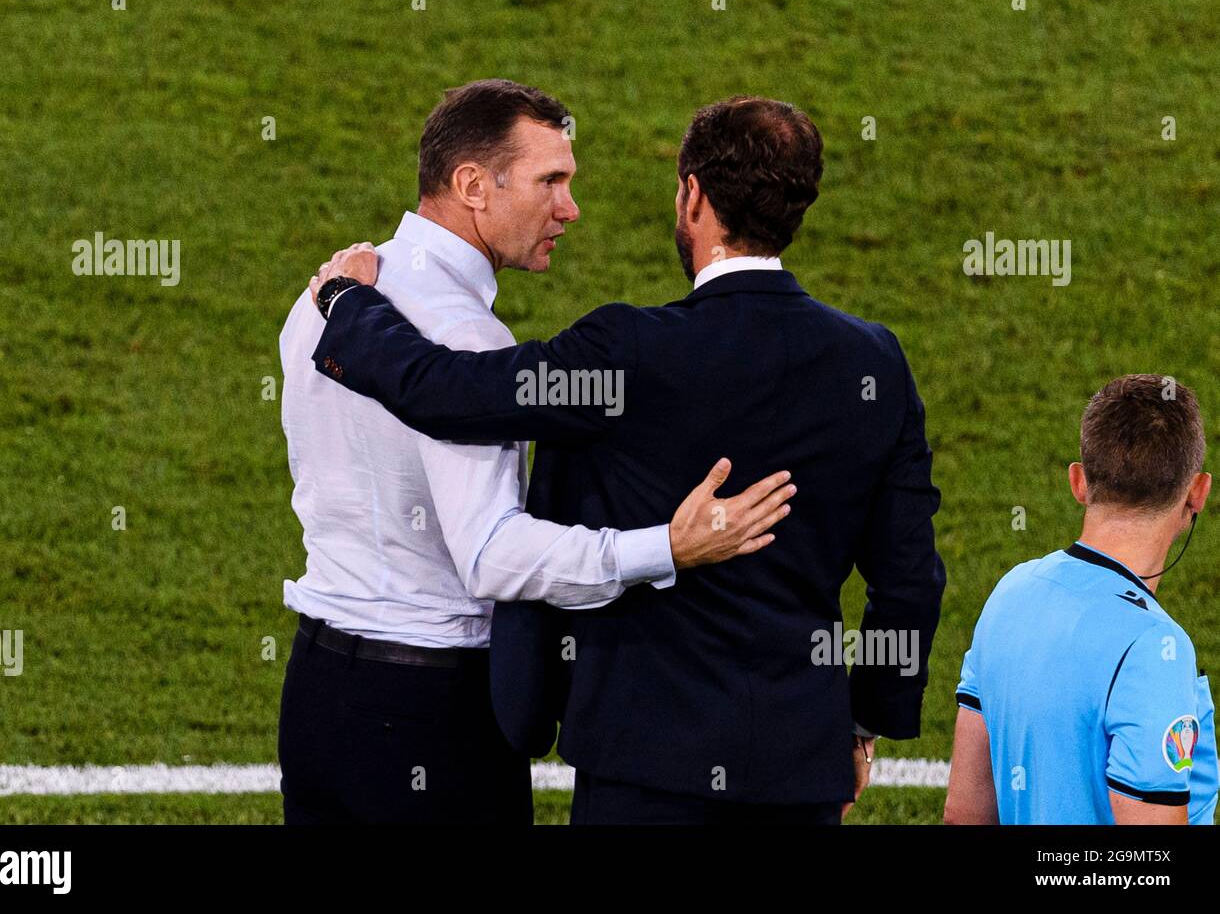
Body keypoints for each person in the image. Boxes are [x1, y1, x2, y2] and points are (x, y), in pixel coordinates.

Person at [309, 96, 945, 824]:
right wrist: (864, 721)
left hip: (638, 765)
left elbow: (446, 394)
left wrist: (348, 305)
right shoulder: (875, 364)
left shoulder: (626, 355)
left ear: (693, 194)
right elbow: (909, 580)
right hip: (798, 767)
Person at [945, 374, 1218, 824]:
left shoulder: (1009, 593)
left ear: (1079, 482)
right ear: (1198, 493)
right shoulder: (1154, 647)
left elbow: (964, 814)